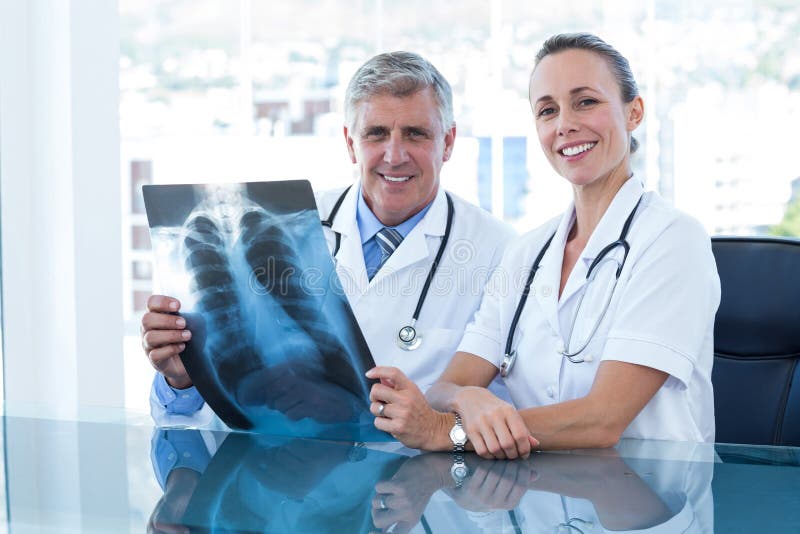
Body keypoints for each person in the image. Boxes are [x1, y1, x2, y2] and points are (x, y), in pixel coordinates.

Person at [367, 33, 720, 458]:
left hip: (649, 504)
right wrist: (469, 400)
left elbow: (603, 419)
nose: (564, 124)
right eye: (547, 110)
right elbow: (447, 385)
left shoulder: (673, 241)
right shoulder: (527, 253)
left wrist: (447, 432)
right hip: (540, 504)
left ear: (634, 112)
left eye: (585, 101)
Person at [142, 51, 515, 424]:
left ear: (448, 142)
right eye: (376, 134)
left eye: (416, 134)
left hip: (421, 477)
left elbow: (502, 412)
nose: (395, 155)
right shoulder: (300, 222)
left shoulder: (501, 251)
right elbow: (187, 423)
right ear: (350, 143)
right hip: (275, 465)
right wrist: (181, 379)